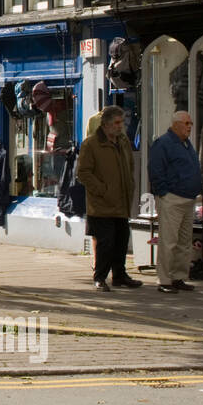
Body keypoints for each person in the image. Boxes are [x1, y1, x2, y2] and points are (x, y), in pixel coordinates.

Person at [76, 106, 140, 291]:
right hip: (102, 204)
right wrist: (101, 189)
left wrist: (130, 185)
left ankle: (120, 275)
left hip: (121, 200)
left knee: (121, 239)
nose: (120, 127)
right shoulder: (91, 144)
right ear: (105, 125)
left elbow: (129, 165)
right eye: (117, 123)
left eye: (121, 122)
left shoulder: (123, 142)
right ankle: (100, 277)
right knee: (106, 242)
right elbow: (84, 173)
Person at [148, 111, 201, 294]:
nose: (189, 127)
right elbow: (156, 170)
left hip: (188, 198)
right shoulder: (163, 143)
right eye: (186, 123)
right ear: (176, 124)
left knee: (184, 242)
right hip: (172, 198)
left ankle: (178, 276)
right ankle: (164, 279)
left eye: (190, 123)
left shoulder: (186, 144)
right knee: (169, 241)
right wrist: (163, 193)